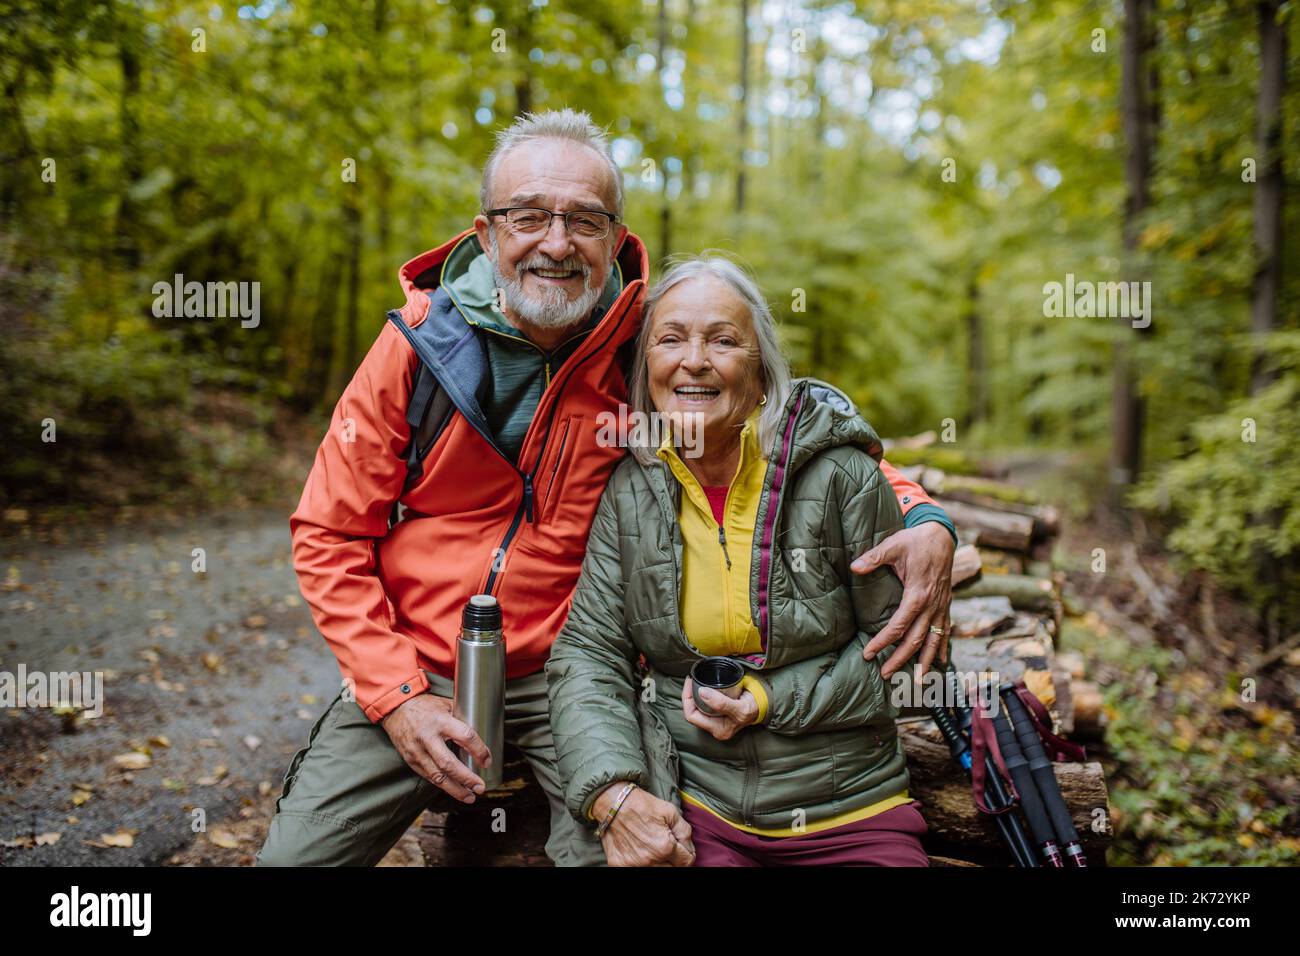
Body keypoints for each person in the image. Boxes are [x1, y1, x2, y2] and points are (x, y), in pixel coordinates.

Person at [257, 109, 955, 867]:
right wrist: (395, 696)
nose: (556, 243)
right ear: (487, 235)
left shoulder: (643, 347)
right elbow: (328, 531)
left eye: (584, 221)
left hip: (577, 670)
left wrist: (921, 513)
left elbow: (784, 435)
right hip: (416, 662)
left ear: (614, 239)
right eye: (528, 217)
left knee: (633, 848)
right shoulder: (416, 347)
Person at [547, 256, 930, 866]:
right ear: (647, 367)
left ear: (762, 373)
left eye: (723, 341)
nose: (693, 360)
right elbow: (587, 654)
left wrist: (767, 700)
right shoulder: (631, 489)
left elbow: (907, 656)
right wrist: (612, 791)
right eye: (670, 339)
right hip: (699, 810)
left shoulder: (840, 476)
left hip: (851, 806)